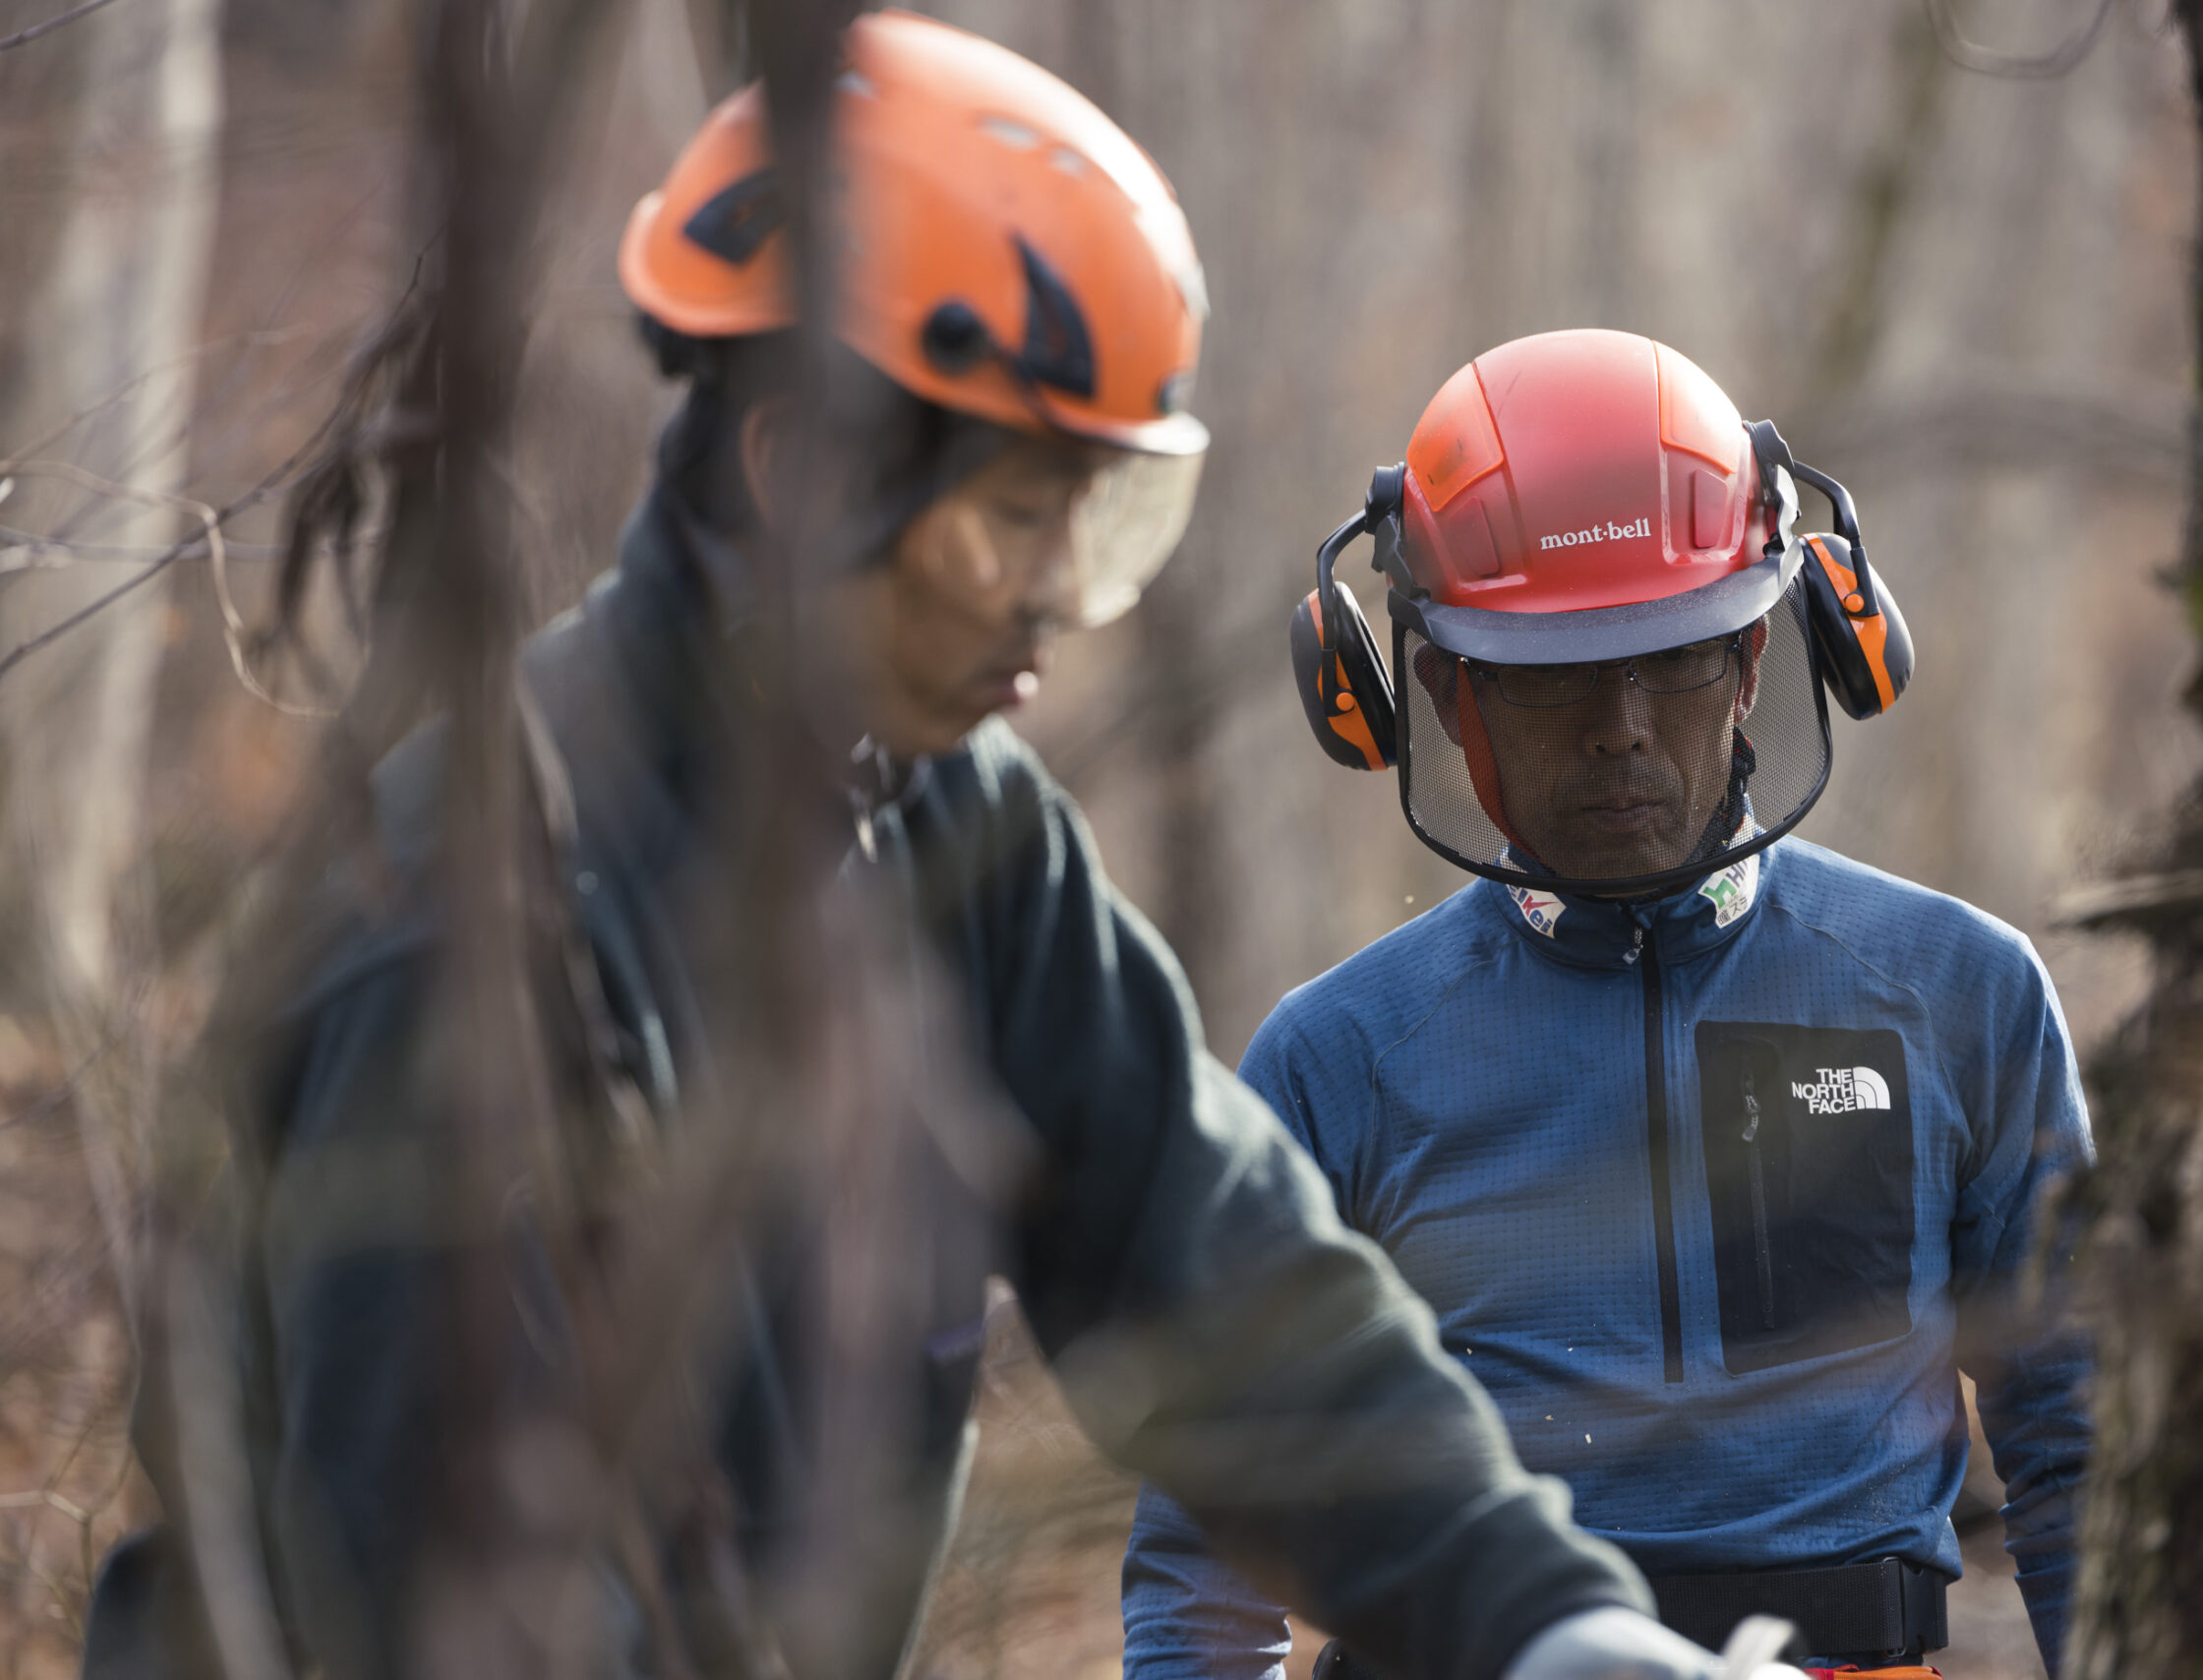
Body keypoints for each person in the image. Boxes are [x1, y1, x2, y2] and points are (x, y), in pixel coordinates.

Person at [79, 27, 1808, 1680]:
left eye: (1102, 520)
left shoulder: (944, 824)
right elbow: (443, 1617)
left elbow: (1223, 1272)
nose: (1062, 596)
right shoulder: (464, 932)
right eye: (1017, 519)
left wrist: (1550, 1626)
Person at [1123, 329, 2092, 1679]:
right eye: (1553, 675)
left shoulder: (1959, 995)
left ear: (1757, 656)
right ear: (1447, 697)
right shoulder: (1336, 1064)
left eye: (1675, 659)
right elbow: (1203, 1553)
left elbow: (2078, 1448)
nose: (1621, 725)